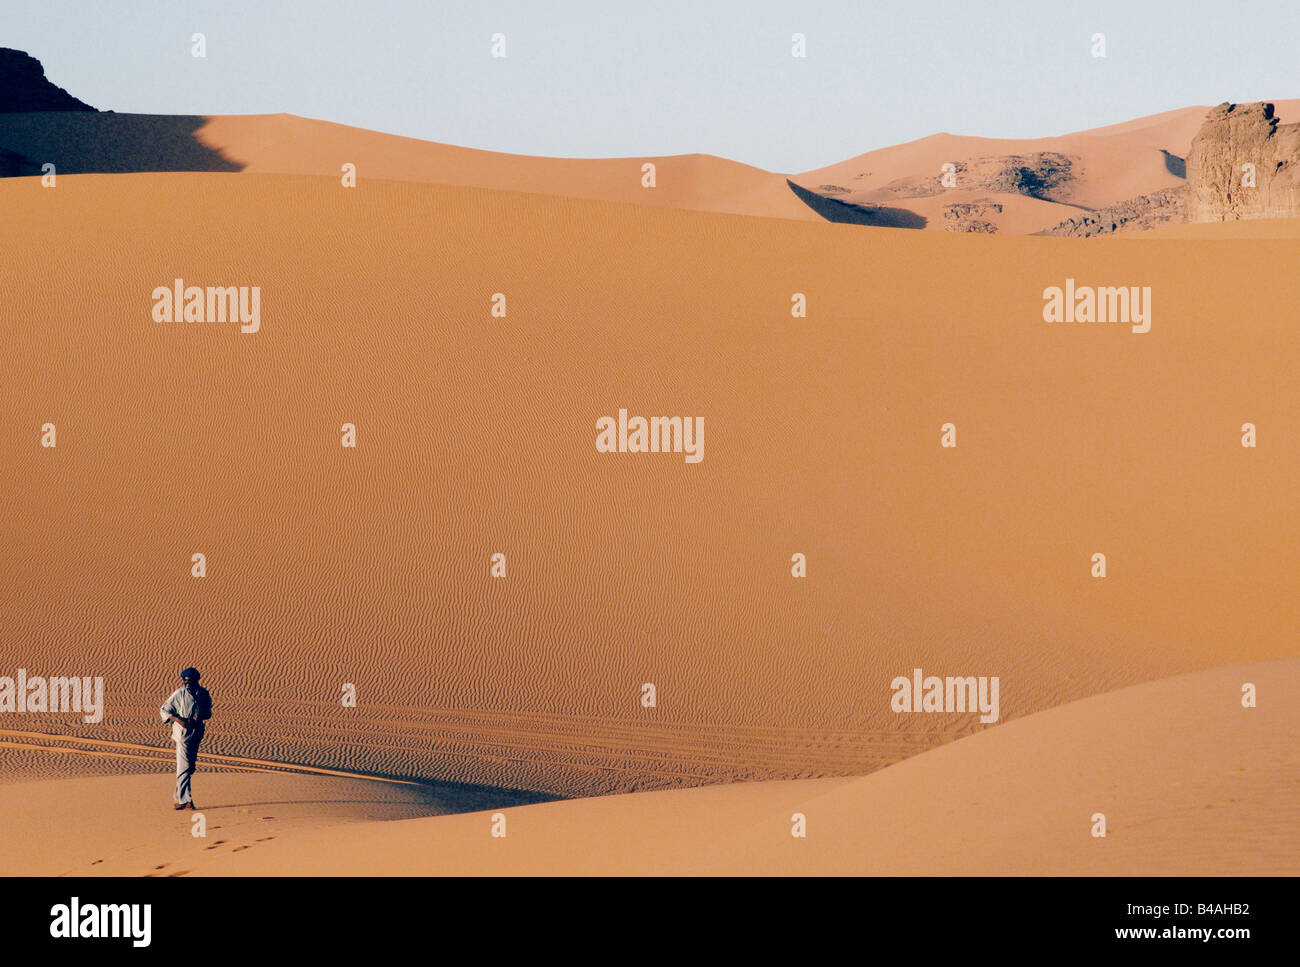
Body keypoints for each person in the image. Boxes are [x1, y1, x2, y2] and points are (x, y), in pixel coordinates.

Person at [160, 667, 213, 810]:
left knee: (190, 767)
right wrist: (178, 719)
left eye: (191, 680)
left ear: (197, 680)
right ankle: (184, 799)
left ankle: (180, 797)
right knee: (184, 767)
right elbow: (164, 709)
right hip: (182, 734)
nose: (188, 683)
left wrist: (200, 716)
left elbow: (209, 713)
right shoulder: (179, 693)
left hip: (196, 733)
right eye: (186, 680)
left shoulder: (203, 694)